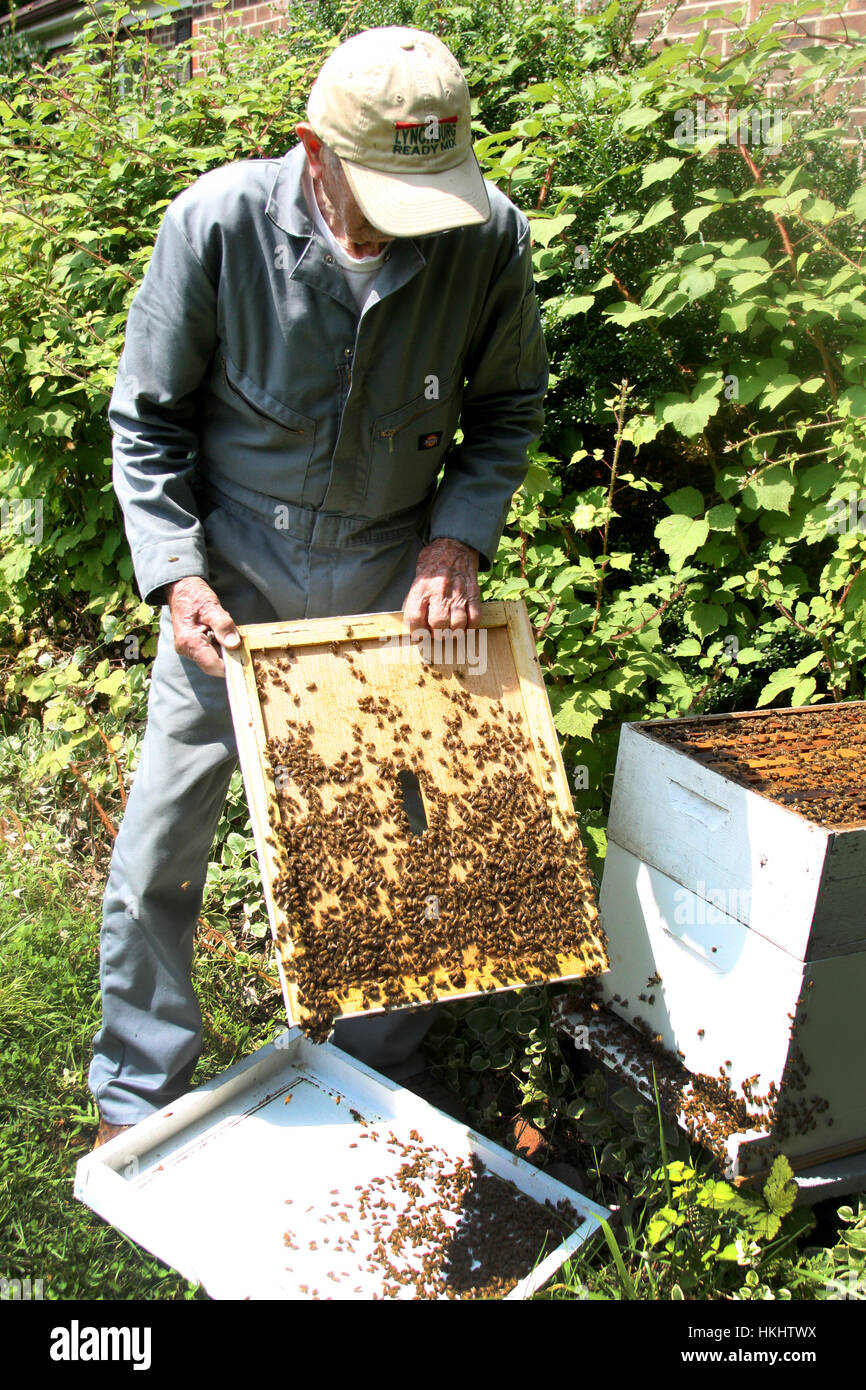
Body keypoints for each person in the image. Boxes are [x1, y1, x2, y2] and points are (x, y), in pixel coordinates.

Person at [89, 25, 548, 1148]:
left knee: (390, 842)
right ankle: (137, 1097)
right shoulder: (215, 224)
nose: (407, 218)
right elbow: (146, 423)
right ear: (312, 151)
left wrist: (458, 541)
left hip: (390, 582)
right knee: (161, 845)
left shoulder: (486, 238)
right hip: (230, 584)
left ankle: (376, 1082)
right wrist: (175, 573)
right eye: (385, 188)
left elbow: (505, 412)